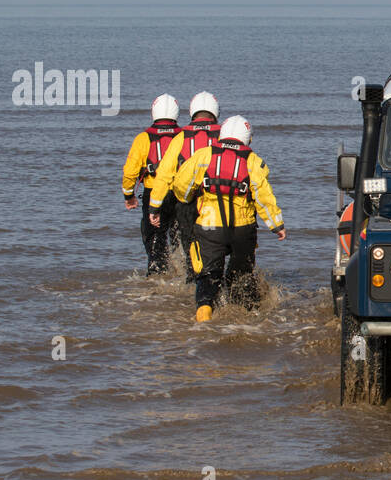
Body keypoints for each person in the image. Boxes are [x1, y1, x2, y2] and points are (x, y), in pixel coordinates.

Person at [169, 115, 286, 322]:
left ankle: (205, 312)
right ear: (248, 138)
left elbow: (181, 186)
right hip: (243, 230)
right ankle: (247, 316)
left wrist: (187, 198)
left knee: (208, 276)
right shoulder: (253, 161)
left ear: (221, 135)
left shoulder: (203, 155)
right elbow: (264, 197)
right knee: (242, 276)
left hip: (209, 227)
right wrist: (277, 225)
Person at [147, 92, 222, 282]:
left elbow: (165, 174)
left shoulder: (181, 138)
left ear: (191, 112)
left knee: (191, 248)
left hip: (187, 204)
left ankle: (194, 283)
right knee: (217, 247)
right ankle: (216, 280)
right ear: (216, 112)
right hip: (217, 203)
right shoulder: (224, 135)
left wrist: (154, 207)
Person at [121, 95, 181, 274]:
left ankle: (157, 276)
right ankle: (186, 277)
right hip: (181, 195)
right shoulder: (185, 136)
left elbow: (130, 172)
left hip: (153, 194)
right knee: (181, 238)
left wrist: (129, 196)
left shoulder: (143, 138)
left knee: (154, 238)